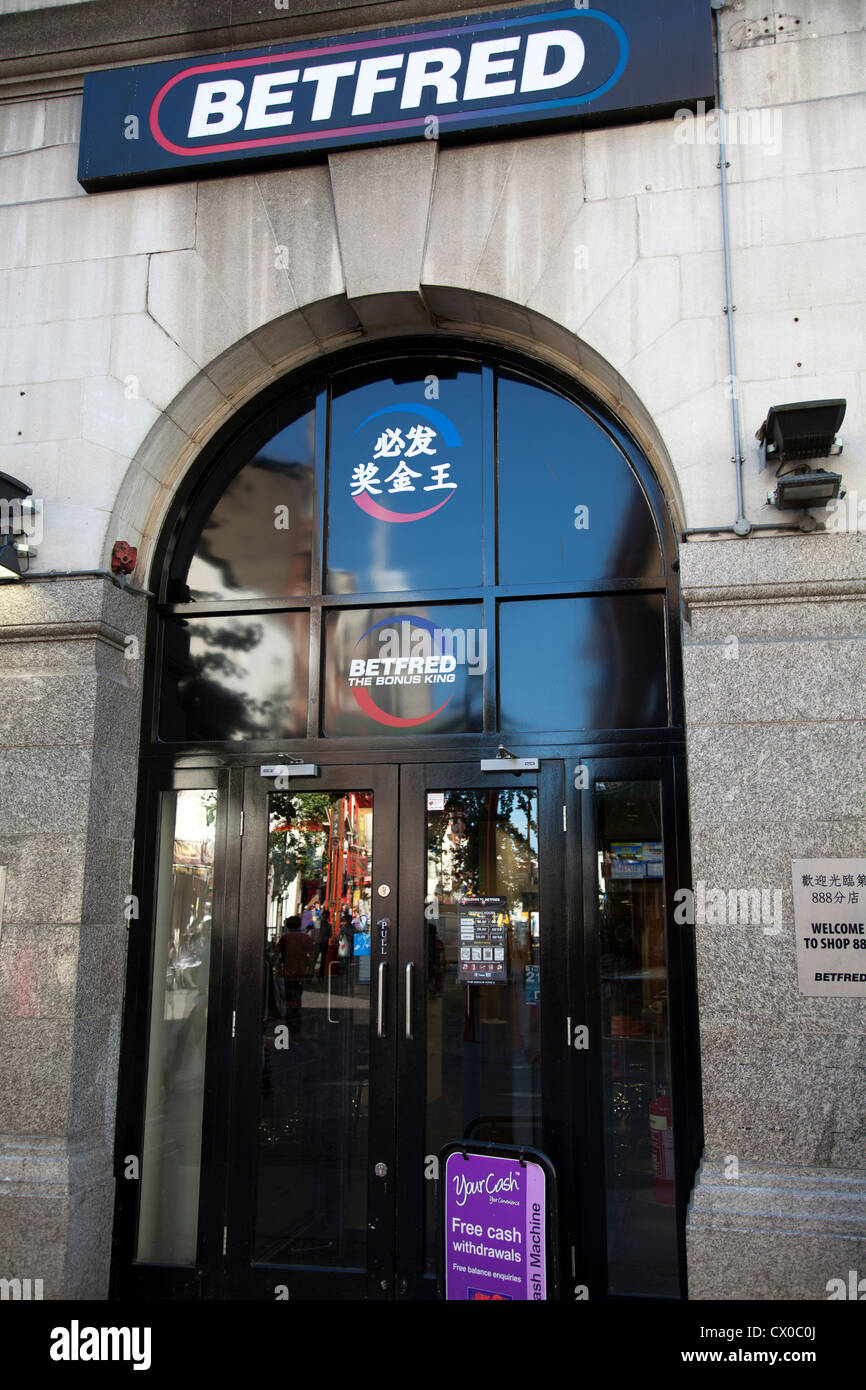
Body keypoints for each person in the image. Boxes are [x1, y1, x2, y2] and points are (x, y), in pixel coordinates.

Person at [277, 915, 313, 1034]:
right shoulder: (306, 938)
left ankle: (290, 1021)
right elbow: (312, 956)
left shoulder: (285, 938)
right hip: (301, 972)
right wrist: (310, 971)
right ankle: (296, 1020)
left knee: (288, 999)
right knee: (297, 996)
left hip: (288, 973)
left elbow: (275, 955)